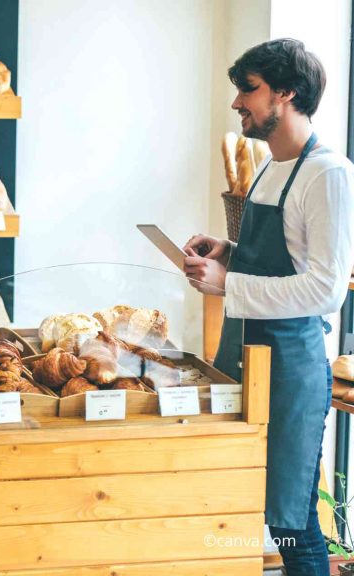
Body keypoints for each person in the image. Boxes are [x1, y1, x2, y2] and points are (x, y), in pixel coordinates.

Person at [184, 38, 354, 575]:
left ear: (287, 92)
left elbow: (325, 290)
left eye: (248, 89)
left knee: (292, 522)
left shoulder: (328, 173)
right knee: (239, 500)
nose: (237, 102)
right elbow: (275, 261)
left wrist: (226, 285)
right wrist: (226, 253)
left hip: (289, 367)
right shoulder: (270, 165)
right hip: (243, 353)